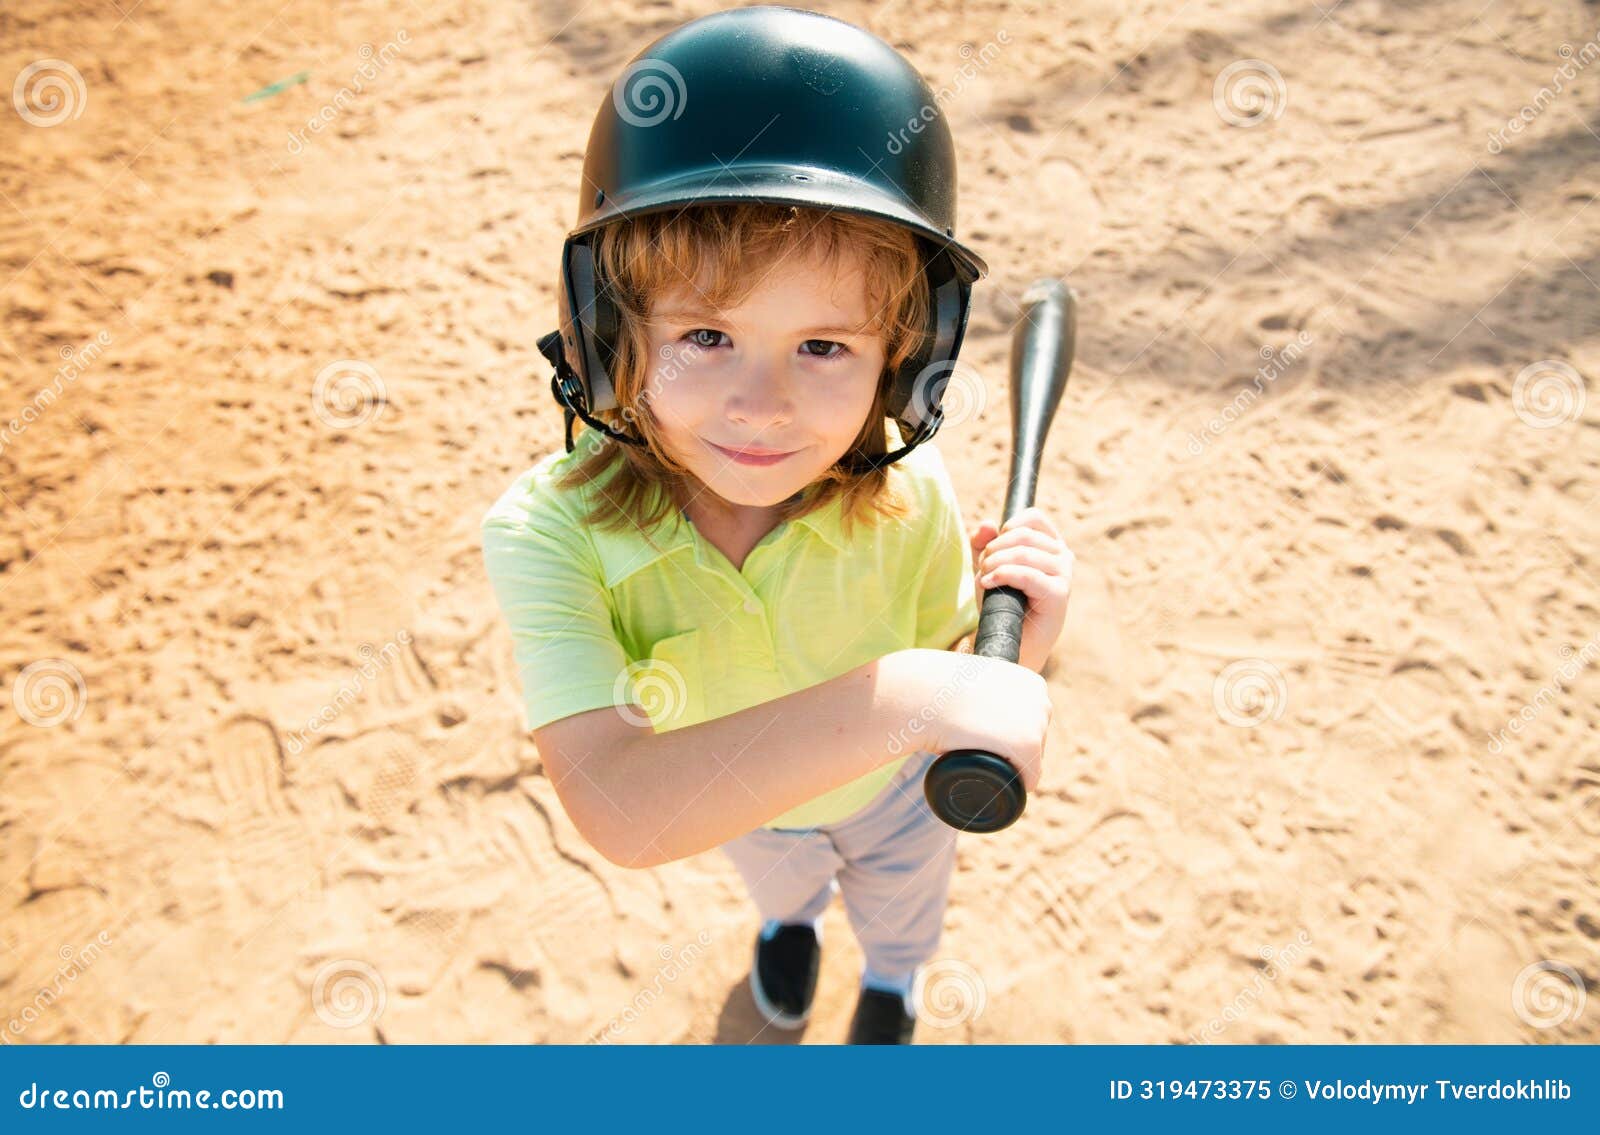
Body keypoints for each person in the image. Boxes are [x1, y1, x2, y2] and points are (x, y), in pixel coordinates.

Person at [479, 6, 1073, 1044]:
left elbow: (954, 658)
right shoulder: (550, 531)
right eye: (705, 334)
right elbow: (622, 805)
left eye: (824, 347)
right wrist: (927, 696)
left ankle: (888, 984)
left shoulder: (909, 489)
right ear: (609, 333)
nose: (763, 406)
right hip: (751, 808)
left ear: (900, 355)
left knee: (902, 913)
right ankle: (791, 930)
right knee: (783, 888)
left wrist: (1023, 643)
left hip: (895, 797)